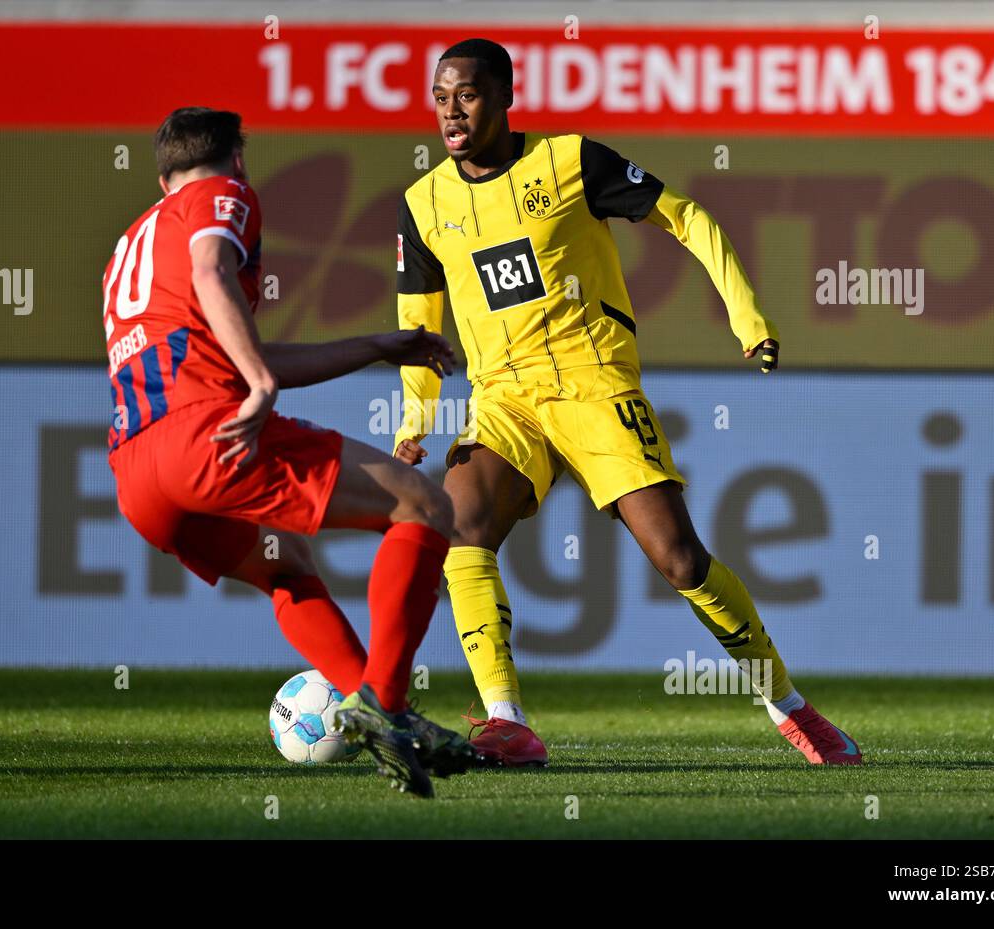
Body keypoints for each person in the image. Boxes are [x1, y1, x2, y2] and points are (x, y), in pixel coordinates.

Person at [392, 40, 861, 767]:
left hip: (594, 384)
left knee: (679, 560)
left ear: (506, 96)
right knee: (461, 525)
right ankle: (507, 720)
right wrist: (416, 417)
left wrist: (748, 317)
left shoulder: (571, 161)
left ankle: (791, 707)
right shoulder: (424, 204)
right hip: (505, 398)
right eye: (440, 94)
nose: (452, 110)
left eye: (470, 94)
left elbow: (688, 217)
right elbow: (418, 324)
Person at [105, 106, 476, 797]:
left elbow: (239, 348)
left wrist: (375, 346)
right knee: (423, 503)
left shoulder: (133, 244)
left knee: (286, 564)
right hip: (209, 437)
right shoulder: (222, 196)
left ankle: (373, 701)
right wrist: (262, 384)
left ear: (161, 179)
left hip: (137, 474)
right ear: (237, 159)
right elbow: (216, 276)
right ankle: (385, 704)